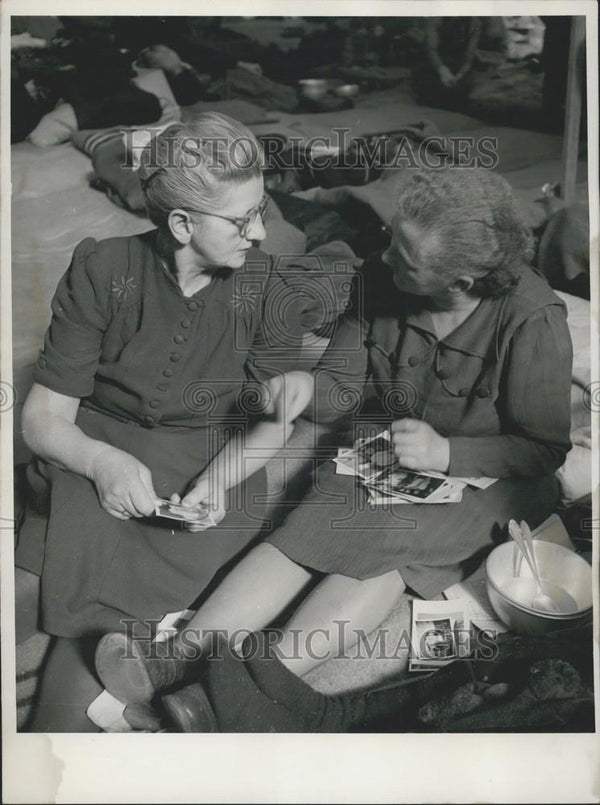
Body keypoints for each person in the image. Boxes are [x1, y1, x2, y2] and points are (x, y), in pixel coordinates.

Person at [95, 167, 573, 732]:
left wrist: (449, 454)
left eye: (406, 256)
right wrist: (304, 389)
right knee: (321, 507)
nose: (385, 257)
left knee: (392, 538)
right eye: (393, 237)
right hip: (395, 451)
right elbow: (342, 387)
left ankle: (231, 695)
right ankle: (184, 653)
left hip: (495, 479)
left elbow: (543, 449)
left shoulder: (532, 321)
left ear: (460, 283)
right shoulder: (379, 276)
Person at [15, 112, 314, 732]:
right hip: (98, 439)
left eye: (263, 209)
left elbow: (270, 428)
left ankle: (85, 713)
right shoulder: (104, 269)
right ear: (181, 223)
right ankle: (69, 723)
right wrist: (102, 463)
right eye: (241, 220)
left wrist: (217, 483)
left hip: (209, 455)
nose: (260, 232)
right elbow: (44, 417)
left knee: (185, 544)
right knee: (85, 528)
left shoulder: (268, 286)